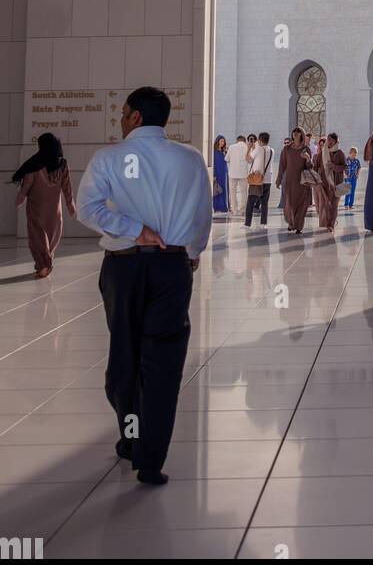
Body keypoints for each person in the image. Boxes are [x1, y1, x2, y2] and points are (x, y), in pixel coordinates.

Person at [77, 85, 212, 486]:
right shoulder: (190, 159)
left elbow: (88, 209)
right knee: (163, 362)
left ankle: (131, 437)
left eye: (122, 113)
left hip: (124, 270)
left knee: (126, 357)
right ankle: (150, 458)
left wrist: (134, 231)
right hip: (173, 267)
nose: (120, 119)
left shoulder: (109, 159)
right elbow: (202, 215)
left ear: (135, 116)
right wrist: (191, 252)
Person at [12, 132, 76, 278]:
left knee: (37, 238)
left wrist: (20, 199)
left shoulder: (34, 165)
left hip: (37, 210)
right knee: (53, 237)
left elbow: (26, 187)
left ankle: (43, 265)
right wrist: (70, 204)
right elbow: (67, 187)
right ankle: (47, 262)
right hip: (55, 211)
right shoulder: (62, 164)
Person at [277, 128, 313, 234]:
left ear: (302, 135)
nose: (295, 134)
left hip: (302, 182)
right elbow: (282, 165)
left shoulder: (306, 149)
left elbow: (310, 167)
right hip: (290, 181)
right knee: (289, 204)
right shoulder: (287, 149)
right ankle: (291, 223)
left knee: (301, 204)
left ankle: (298, 226)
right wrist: (279, 179)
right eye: (294, 132)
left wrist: (307, 159)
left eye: (298, 133)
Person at [317, 132, 346, 232]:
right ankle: (326, 223)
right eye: (328, 139)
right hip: (324, 183)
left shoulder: (340, 153)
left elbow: (345, 167)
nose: (329, 142)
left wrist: (334, 167)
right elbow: (315, 166)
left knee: (334, 205)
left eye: (331, 140)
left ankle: (331, 225)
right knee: (325, 205)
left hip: (338, 183)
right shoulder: (322, 153)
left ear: (335, 141)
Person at [245, 131, 274, 228]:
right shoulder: (271, 150)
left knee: (250, 202)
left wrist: (249, 148)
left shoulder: (258, 149)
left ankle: (247, 224)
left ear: (260, 140)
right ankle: (263, 224)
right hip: (268, 179)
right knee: (264, 203)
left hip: (256, 180)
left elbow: (248, 159)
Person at [226, 134, 249, 215]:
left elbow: (226, 159)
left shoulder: (231, 147)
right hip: (243, 174)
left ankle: (235, 210)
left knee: (232, 192)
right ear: (244, 141)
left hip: (233, 173)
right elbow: (249, 160)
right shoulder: (247, 147)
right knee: (244, 192)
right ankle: (242, 210)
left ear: (237, 140)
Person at [212, 135, 229, 215]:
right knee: (217, 189)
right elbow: (213, 164)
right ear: (217, 141)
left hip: (224, 173)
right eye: (221, 141)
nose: (222, 143)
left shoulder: (224, 151)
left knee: (224, 189)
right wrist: (214, 175)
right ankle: (216, 206)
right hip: (217, 173)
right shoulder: (214, 153)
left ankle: (224, 206)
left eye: (223, 141)